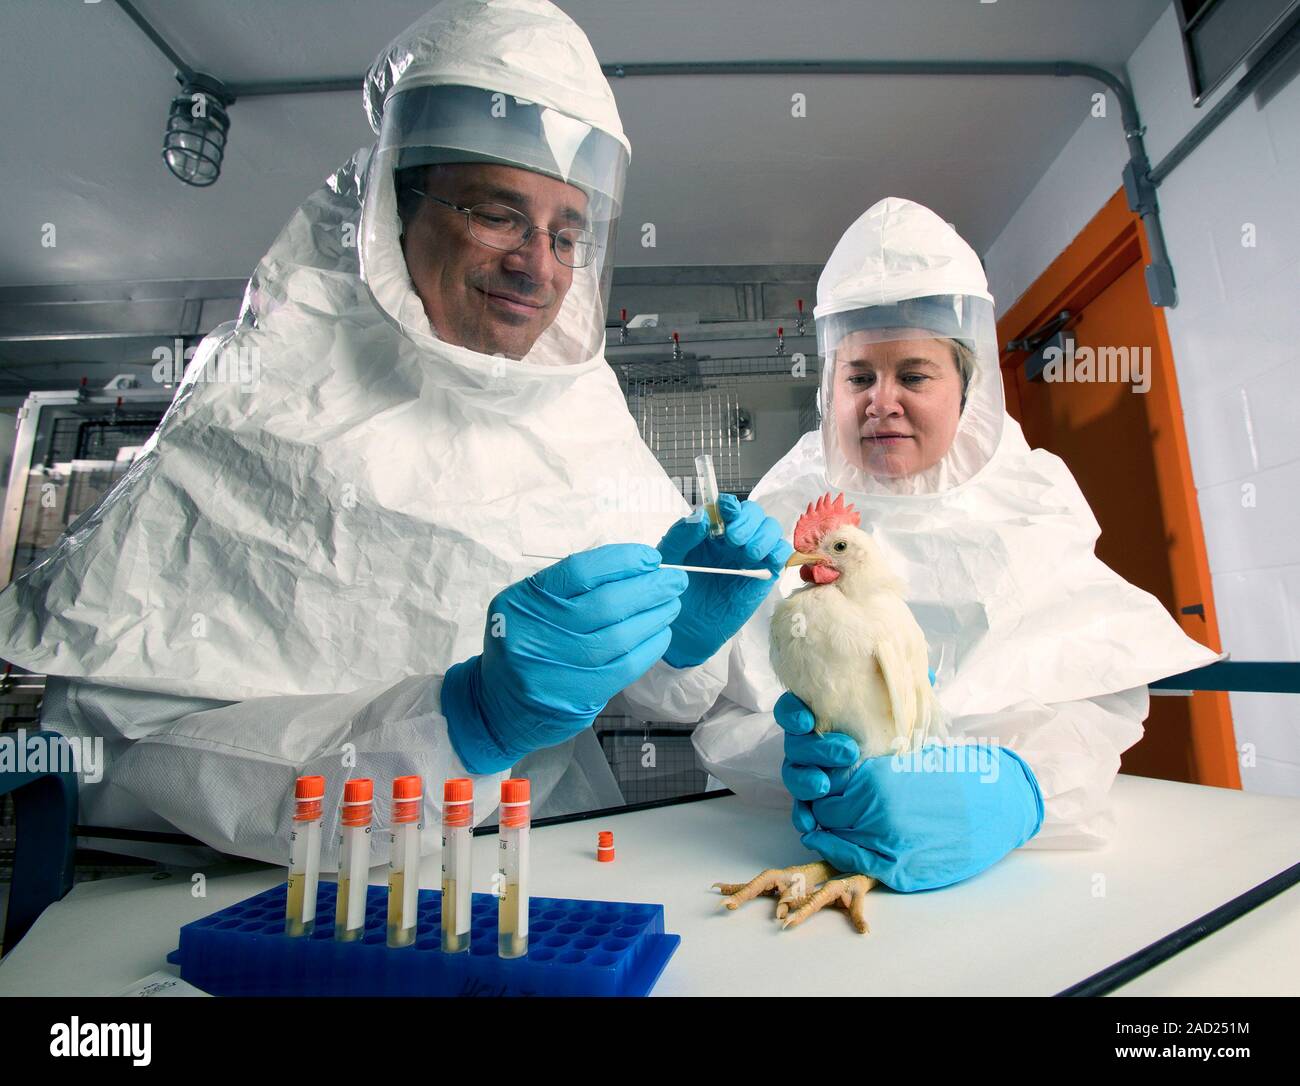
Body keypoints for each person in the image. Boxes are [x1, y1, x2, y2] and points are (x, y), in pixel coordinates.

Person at [0, 0, 788, 866]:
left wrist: (676, 646)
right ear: (396, 209)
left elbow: (647, 700)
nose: (538, 264)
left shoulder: (579, 418)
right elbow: (137, 758)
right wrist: (458, 724)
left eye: (568, 234)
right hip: (249, 913)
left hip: (535, 878)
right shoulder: (265, 409)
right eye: (497, 214)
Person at [693, 197, 1221, 891]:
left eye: (913, 375)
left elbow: (1099, 700)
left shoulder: (1029, 500)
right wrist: (800, 765)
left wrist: (1019, 790)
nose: (881, 400)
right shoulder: (789, 508)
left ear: (966, 388)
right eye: (859, 377)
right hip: (808, 849)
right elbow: (725, 708)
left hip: (1015, 873)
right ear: (830, 385)